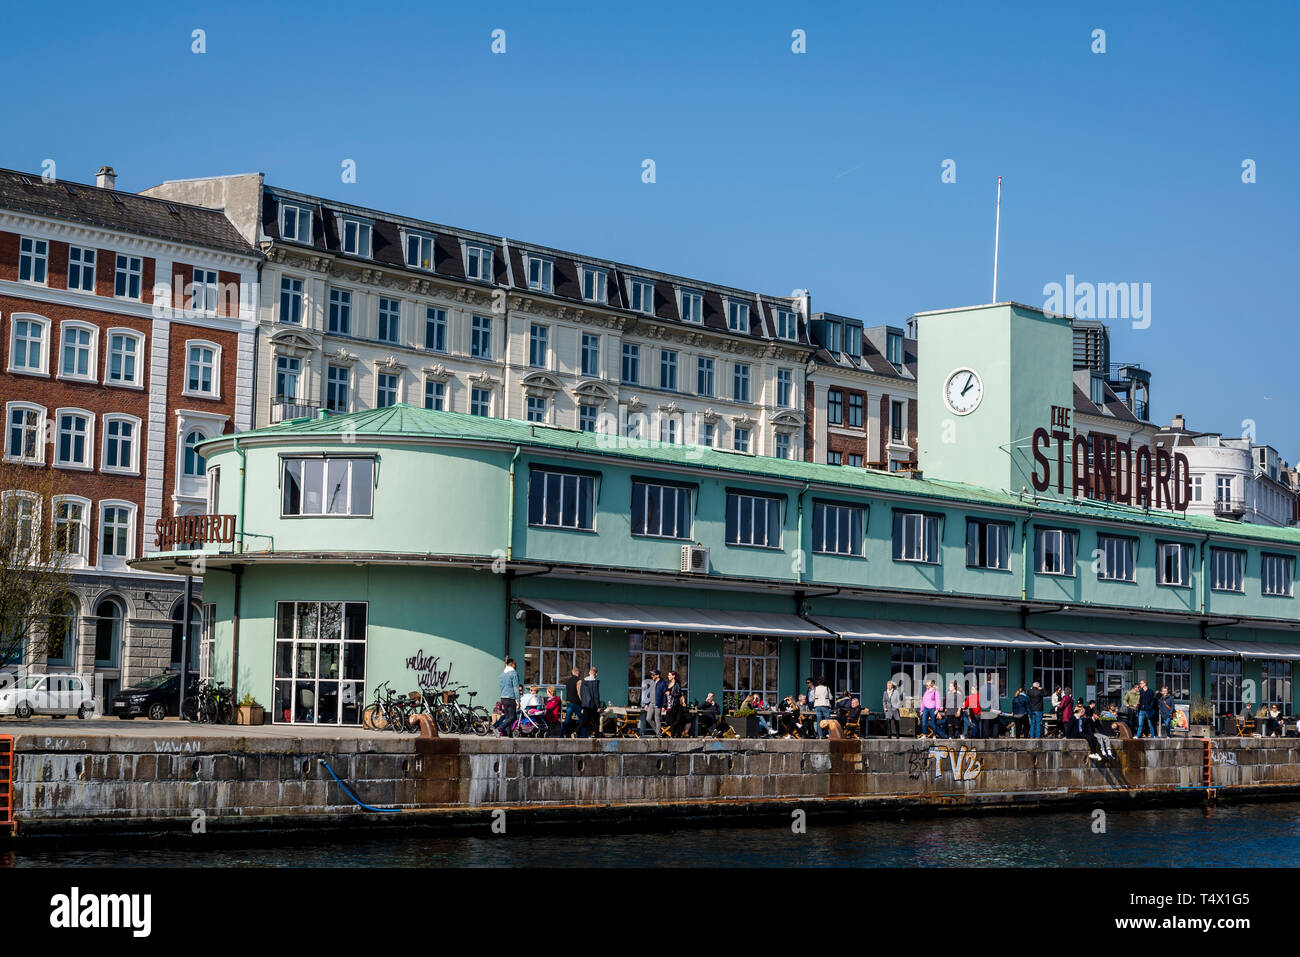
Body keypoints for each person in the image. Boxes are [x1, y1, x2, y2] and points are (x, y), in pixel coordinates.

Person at [495, 657, 521, 736]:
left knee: (507, 717)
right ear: (512, 664)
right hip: (510, 698)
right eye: (515, 664)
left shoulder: (502, 675)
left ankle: (510, 735)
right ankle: (499, 729)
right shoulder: (514, 674)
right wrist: (518, 700)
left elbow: (501, 687)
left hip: (503, 698)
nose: (516, 666)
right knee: (513, 717)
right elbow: (516, 688)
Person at [666, 671, 691, 737]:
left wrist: (670, 693)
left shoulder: (677, 684)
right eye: (668, 675)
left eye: (669, 675)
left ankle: (673, 734)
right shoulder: (669, 683)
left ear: (673, 676)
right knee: (668, 721)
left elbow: (678, 693)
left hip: (674, 704)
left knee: (674, 721)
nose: (668, 676)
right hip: (669, 704)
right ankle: (674, 733)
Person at [578, 666, 601, 738]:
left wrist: (582, 704)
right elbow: (596, 696)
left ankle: (576, 731)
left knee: (585, 720)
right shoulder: (594, 682)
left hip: (585, 704)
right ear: (596, 674)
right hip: (593, 705)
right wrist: (598, 706)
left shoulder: (583, 682)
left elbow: (581, 694)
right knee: (596, 721)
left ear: (589, 672)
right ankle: (597, 736)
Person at [562, 667, 582, 737]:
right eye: (579, 672)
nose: (580, 674)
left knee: (566, 720)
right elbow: (579, 693)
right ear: (577, 672)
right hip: (576, 704)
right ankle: (584, 735)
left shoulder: (568, 681)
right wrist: (582, 702)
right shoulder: (579, 681)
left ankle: (562, 734)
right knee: (582, 720)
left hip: (569, 703)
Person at [645, 669, 666, 737]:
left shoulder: (662, 683)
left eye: (653, 675)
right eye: (651, 675)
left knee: (657, 719)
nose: (652, 676)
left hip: (658, 704)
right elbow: (649, 694)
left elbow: (664, 695)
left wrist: (663, 706)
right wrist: (646, 704)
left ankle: (658, 734)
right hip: (651, 703)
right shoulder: (652, 682)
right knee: (648, 719)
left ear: (658, 675)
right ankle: (658, 732)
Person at [638, 672, 655, 737]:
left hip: (646, 702)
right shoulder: (652, 682)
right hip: (649, 702)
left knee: (643, 717)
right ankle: (655, 731)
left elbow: (645, 693)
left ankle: (642, 731)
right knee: (652, 717)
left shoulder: (645, 682)